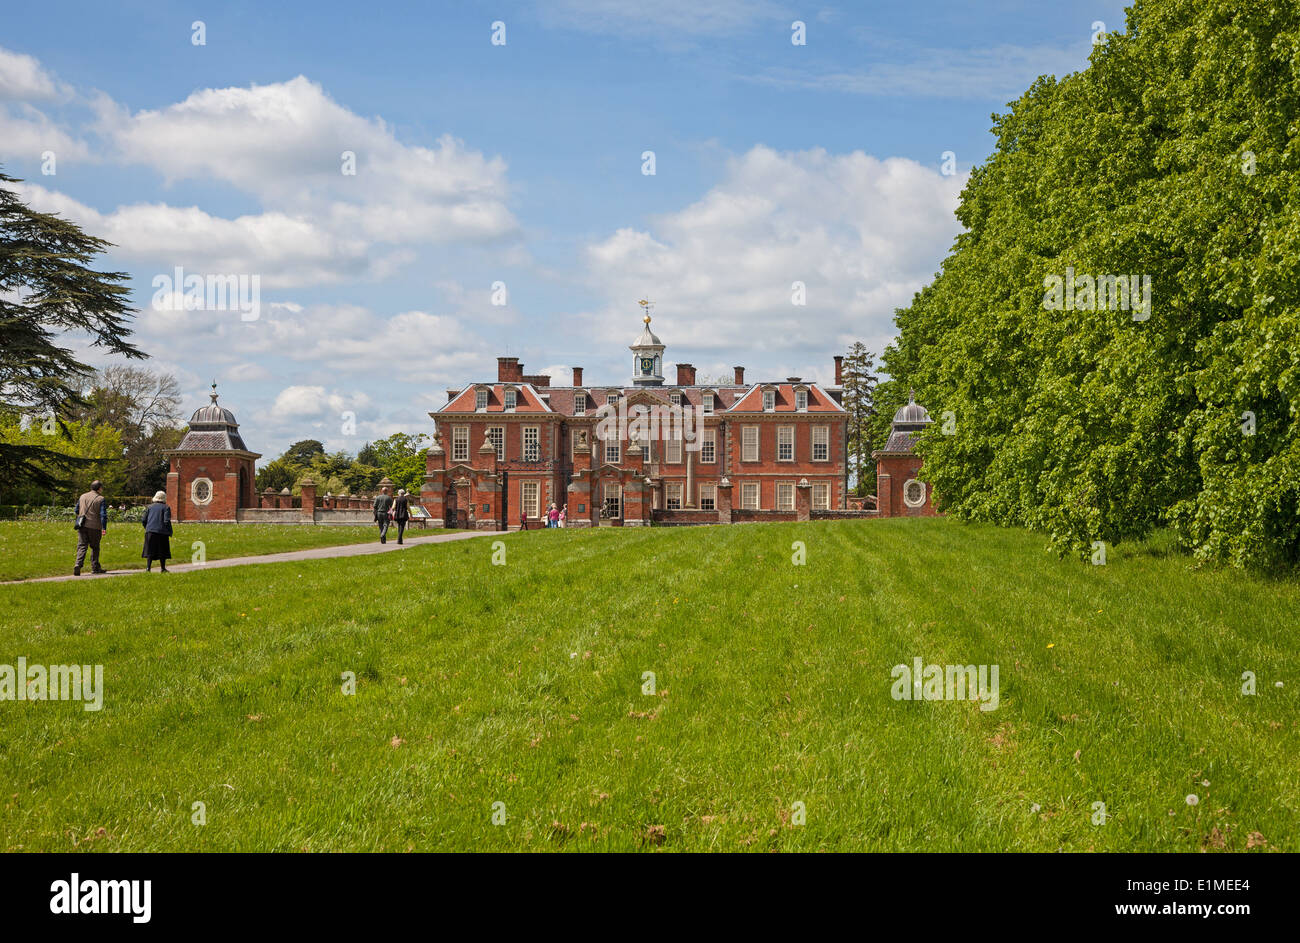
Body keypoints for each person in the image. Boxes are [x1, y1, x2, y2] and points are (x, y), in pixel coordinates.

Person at [73, 479, 108, 576]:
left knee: (82, 545)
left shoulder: (82, 496)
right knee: (95, 547)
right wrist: (104, 527)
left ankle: (78, 564)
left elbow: (76, 510)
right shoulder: (101, 499)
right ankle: (95, 567)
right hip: (95, 526)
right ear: (99, 488)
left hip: (82, 525)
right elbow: (103, 515)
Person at [142, 490, 173, 572]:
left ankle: (148, 568)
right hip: (162, 532)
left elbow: (143, 520)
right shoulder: (166, 507)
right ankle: (163, 568)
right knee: (162, 550)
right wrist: (170, 531)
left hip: (150, 531)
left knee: (150, 550)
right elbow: (166, 521)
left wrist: (147, 527)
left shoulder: (149, 507)